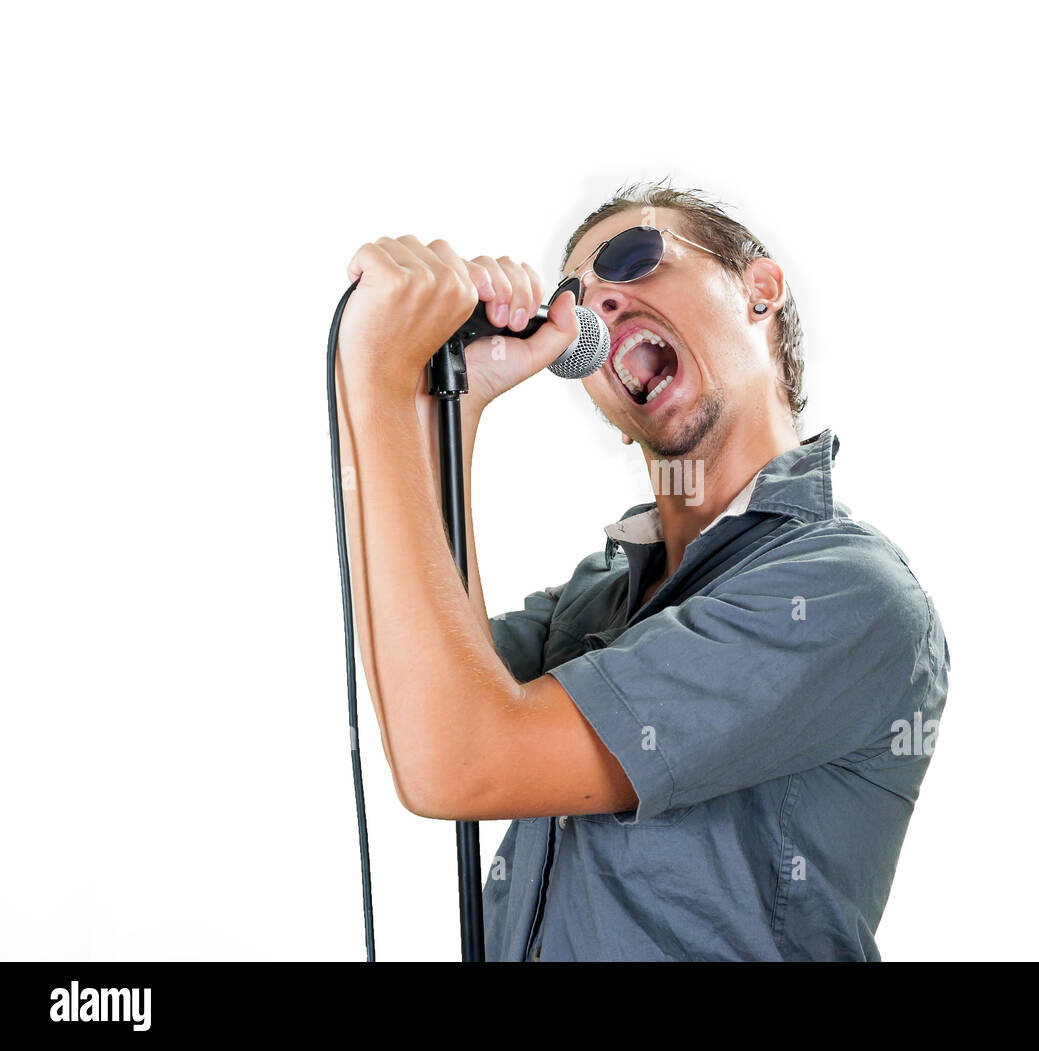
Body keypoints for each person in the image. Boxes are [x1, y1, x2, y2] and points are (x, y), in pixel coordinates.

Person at [333, 181, 951, 961]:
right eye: (576, 301)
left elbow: (458, 762)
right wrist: (438, 414)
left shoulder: (843, 592)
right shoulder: (599, 593)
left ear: (758, 291)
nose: (603, 304)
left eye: (634, 258)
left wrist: (379, 392)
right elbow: (429, 703)